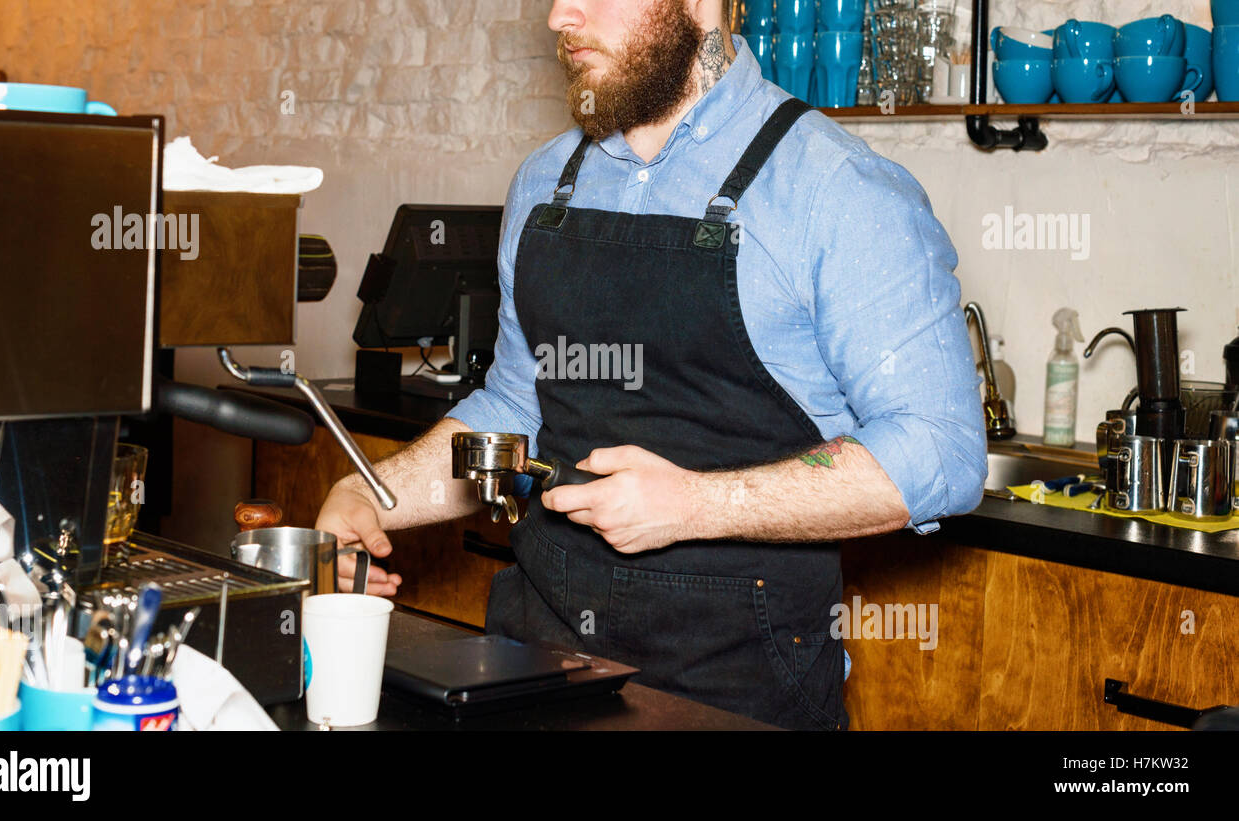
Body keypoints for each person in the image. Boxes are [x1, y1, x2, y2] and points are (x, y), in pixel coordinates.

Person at [316, 0, 987, 730]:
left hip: (735, 691)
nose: (557, 17)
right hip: (537, 668)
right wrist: (369, 493)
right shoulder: (545, 184)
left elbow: (941, 450)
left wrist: (697, 503)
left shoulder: (837, 189)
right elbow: (514, 407)